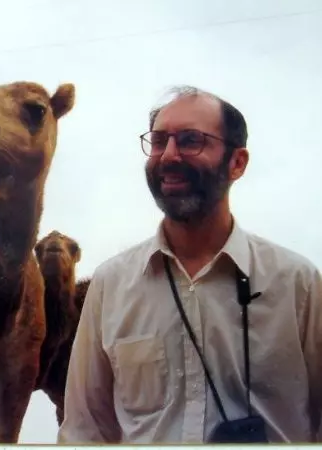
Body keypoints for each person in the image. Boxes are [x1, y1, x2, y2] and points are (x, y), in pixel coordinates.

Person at [56, 85, 322, 443]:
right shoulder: (111, 285)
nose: (168, 156)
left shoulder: (297, 283)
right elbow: (84, 430)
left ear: (237, 162)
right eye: (159, 141)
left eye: (190, 140)